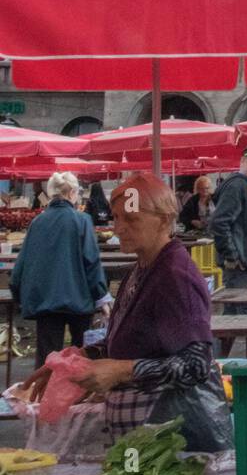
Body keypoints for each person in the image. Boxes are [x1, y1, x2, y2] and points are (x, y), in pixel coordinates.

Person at [22, 173, 233, 451]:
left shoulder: (175, 276)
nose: (118, 228)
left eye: (131, 219)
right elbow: (128, 342)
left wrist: (122, 371)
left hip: (177, 445)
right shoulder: (144, 267)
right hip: (146, 441)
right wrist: (76, 362)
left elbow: (196, 365)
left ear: (164, 220)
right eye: (116, 217)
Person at [11, 171, 110, 367]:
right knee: (81, 360)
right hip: (80, 302)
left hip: (46, 303)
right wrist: (102, 298)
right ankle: (76, 396)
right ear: (72, 192)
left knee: (48, 363)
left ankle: (46, 394)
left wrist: (19, 296)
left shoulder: (37, 222)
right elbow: (91, 262)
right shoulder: (82, 221)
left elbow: (20, 266)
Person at [211, 144, 247, 359]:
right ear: (242, 161)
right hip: (242, 268)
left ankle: (212, 366)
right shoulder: (237, 186)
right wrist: (232, 257)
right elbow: (219, 223)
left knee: (230, 323)